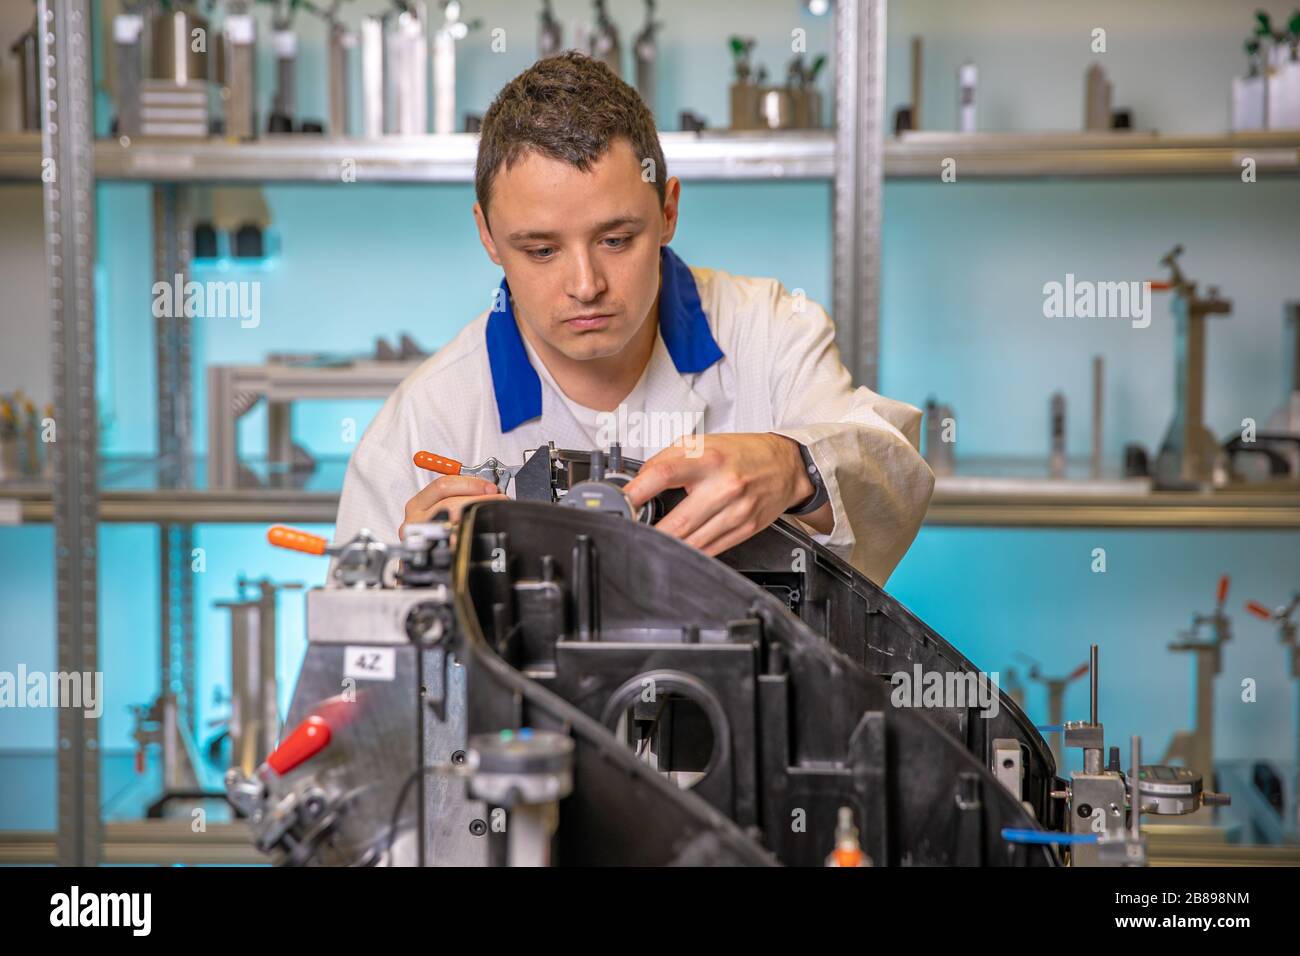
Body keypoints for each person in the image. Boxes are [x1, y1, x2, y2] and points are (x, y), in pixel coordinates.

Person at [333, 52, 933, 586]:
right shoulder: (428, 417)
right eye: (541, 251)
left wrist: (794, 463)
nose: (586, 285)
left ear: (668, 210)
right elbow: (351, 678)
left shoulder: (769, 330)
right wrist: (408, 586)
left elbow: (894, 469)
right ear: (488, 236)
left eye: (617, 239)